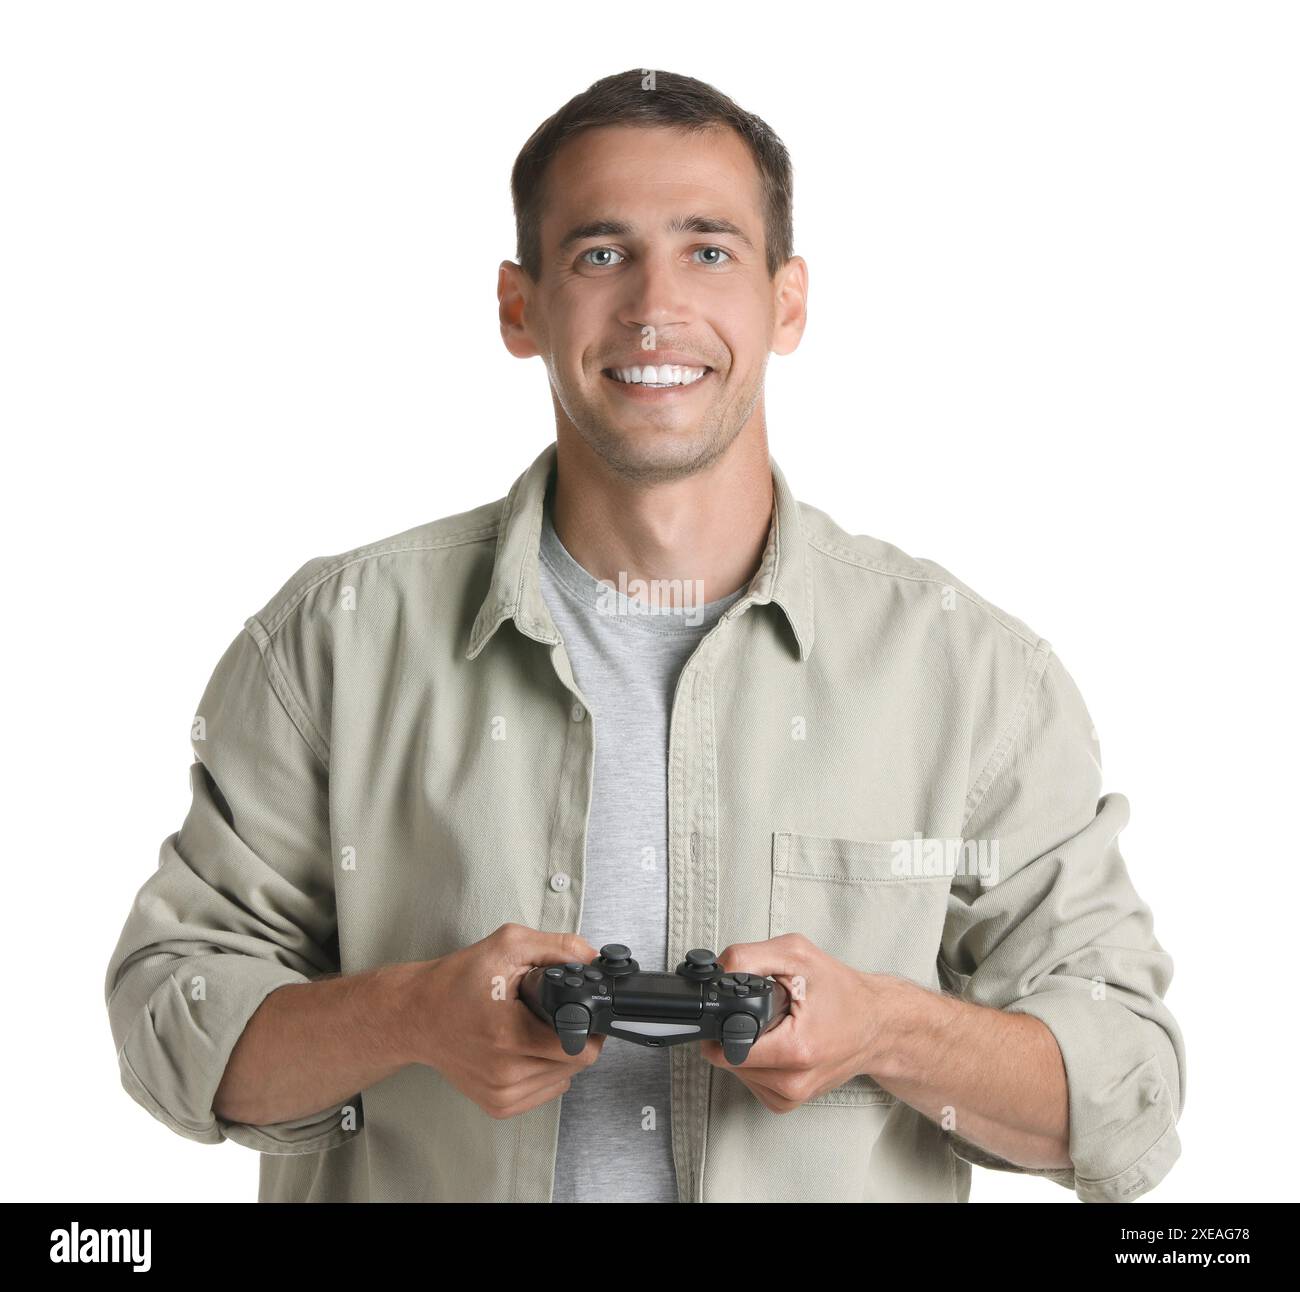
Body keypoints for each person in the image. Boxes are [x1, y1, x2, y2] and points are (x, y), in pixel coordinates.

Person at [104, 68, 1186, 1203]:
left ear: (789, 301)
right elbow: (168, 1022)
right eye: (600, 253)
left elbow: (1129, 1091)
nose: (654, 307)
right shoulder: (333, 643)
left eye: (709, 249)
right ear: (520, 306)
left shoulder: (972, 678)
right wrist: (413, 1014)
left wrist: (881, 1029)